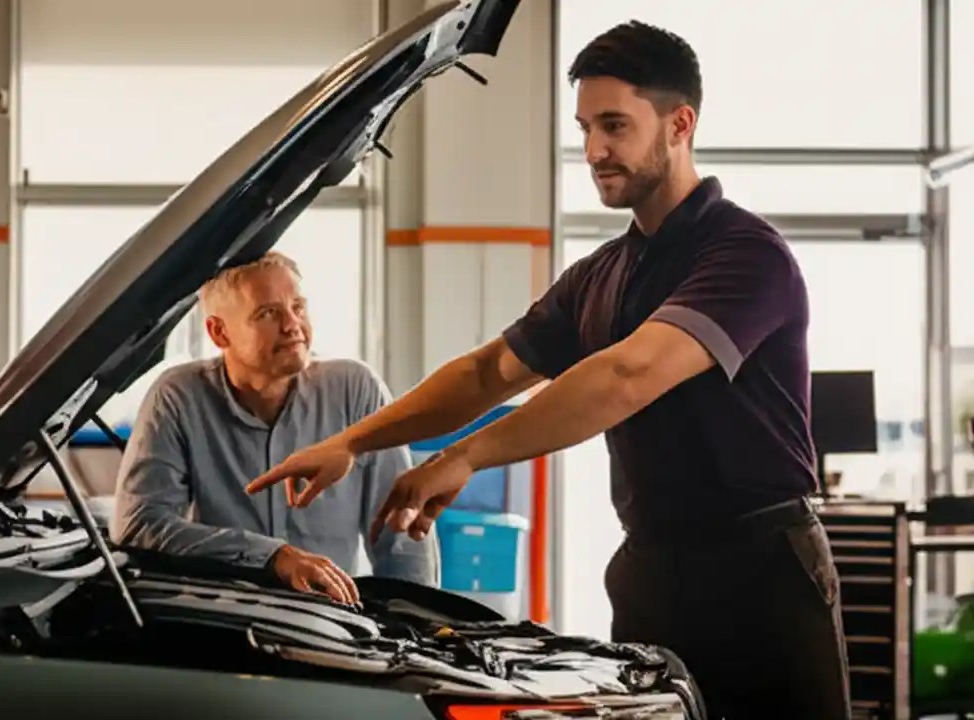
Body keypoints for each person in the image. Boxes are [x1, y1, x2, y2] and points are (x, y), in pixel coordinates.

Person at [247, 20, 850, 720]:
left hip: (760, 572)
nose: (594, 150)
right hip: (652, 568)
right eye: (586, 127)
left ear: (680, 124)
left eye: (615, 126)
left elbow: (627, 376)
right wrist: (355, 441)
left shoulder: (745, 256)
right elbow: (488, 371)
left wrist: (466, 455)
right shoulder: (604, 274)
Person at [110, 251, 438, 606]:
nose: (292, 325)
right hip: (224, 620)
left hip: (336, 625)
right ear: (219, 332)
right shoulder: (177, 396)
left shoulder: (354, 388)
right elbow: (139, 525)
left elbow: (400, 534)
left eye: (298, 307)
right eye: (268, 314)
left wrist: (416, 623)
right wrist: (269, 556)